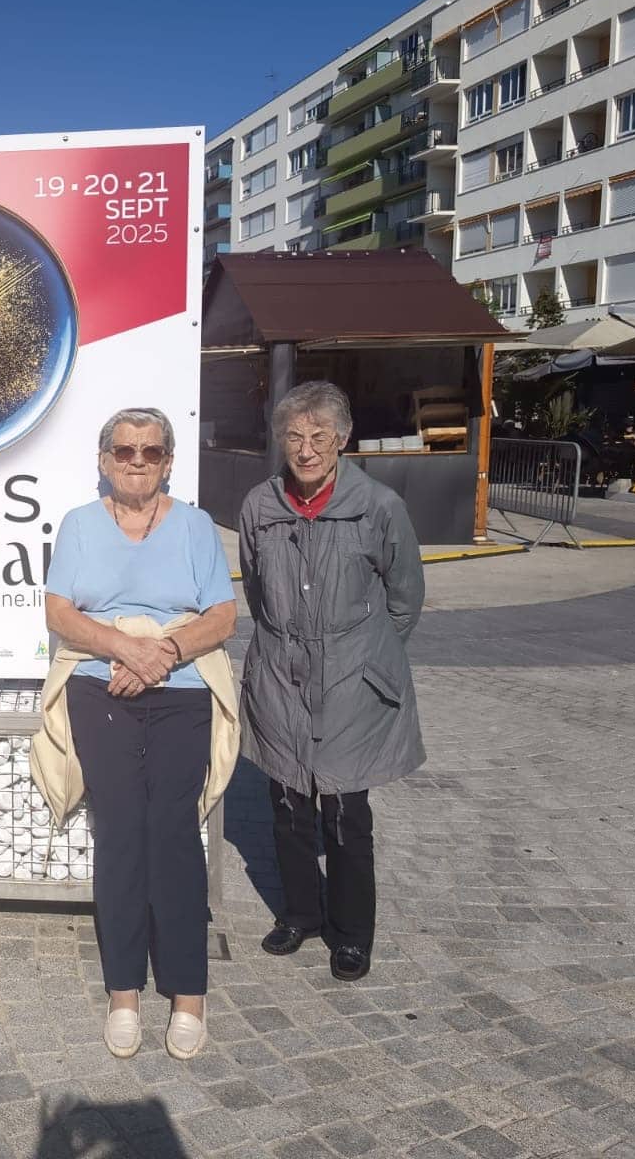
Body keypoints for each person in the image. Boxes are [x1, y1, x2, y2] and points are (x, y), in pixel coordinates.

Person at [37, 407, 238, 1061]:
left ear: (168, 461)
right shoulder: (78, 525)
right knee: (120, 832)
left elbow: (223, 616)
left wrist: (162, 654)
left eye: (151, 452)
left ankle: (187, 995)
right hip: (100, 689)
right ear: (104, 459)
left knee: (175, 836)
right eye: (124, 450)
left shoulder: (196, 526)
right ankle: (123, 991)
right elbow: (61, 611)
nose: (137, 461)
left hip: (180, 691)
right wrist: (125, 648)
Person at [237, 381, 425, 983]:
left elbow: (405, 600)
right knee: (289, 803)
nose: (307, 448)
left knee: (346, 811)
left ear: (342, 440)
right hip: (280, 674)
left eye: (320, 436)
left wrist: (363, 658)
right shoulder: (259, 507)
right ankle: (299, 914)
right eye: (295, 436)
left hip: (351, 679)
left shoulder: (379, 506)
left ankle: (351, 932)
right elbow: (257, 587)